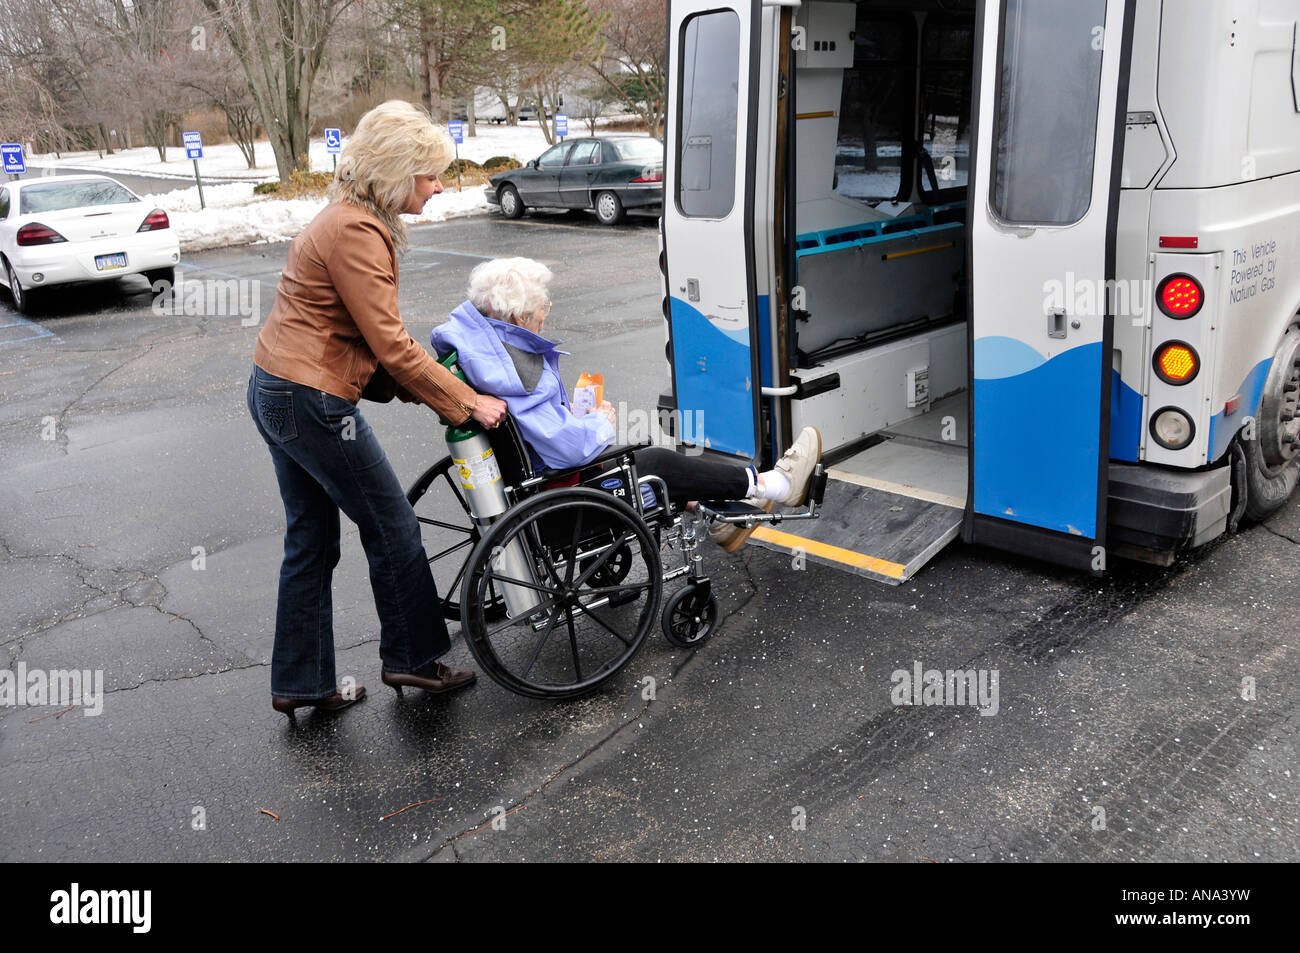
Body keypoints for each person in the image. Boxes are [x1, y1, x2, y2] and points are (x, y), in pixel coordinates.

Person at [247, 101, 508, 722]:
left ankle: (302, 682)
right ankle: (415, 659)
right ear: (396, 172)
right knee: (393, 525)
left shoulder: (347, 219)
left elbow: (369, 341)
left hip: (276, 388)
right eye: (431, 175)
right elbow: (389, 344)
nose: (441, 187)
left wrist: (430, 383)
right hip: (310, 400)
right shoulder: (356, 230)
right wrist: (467, 401)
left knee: (310, 540)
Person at [430, 257, 822, 550]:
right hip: (559, 497)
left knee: (654, 462)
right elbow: (568, 448)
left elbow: (545, 430)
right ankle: (775, 484)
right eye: (541, 311)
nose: (545, 319)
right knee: (656, 462)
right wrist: (600, 422)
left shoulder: (484, 350)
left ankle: (728, 514)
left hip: (538, 484)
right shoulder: (515, 372)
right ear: (517, 316)